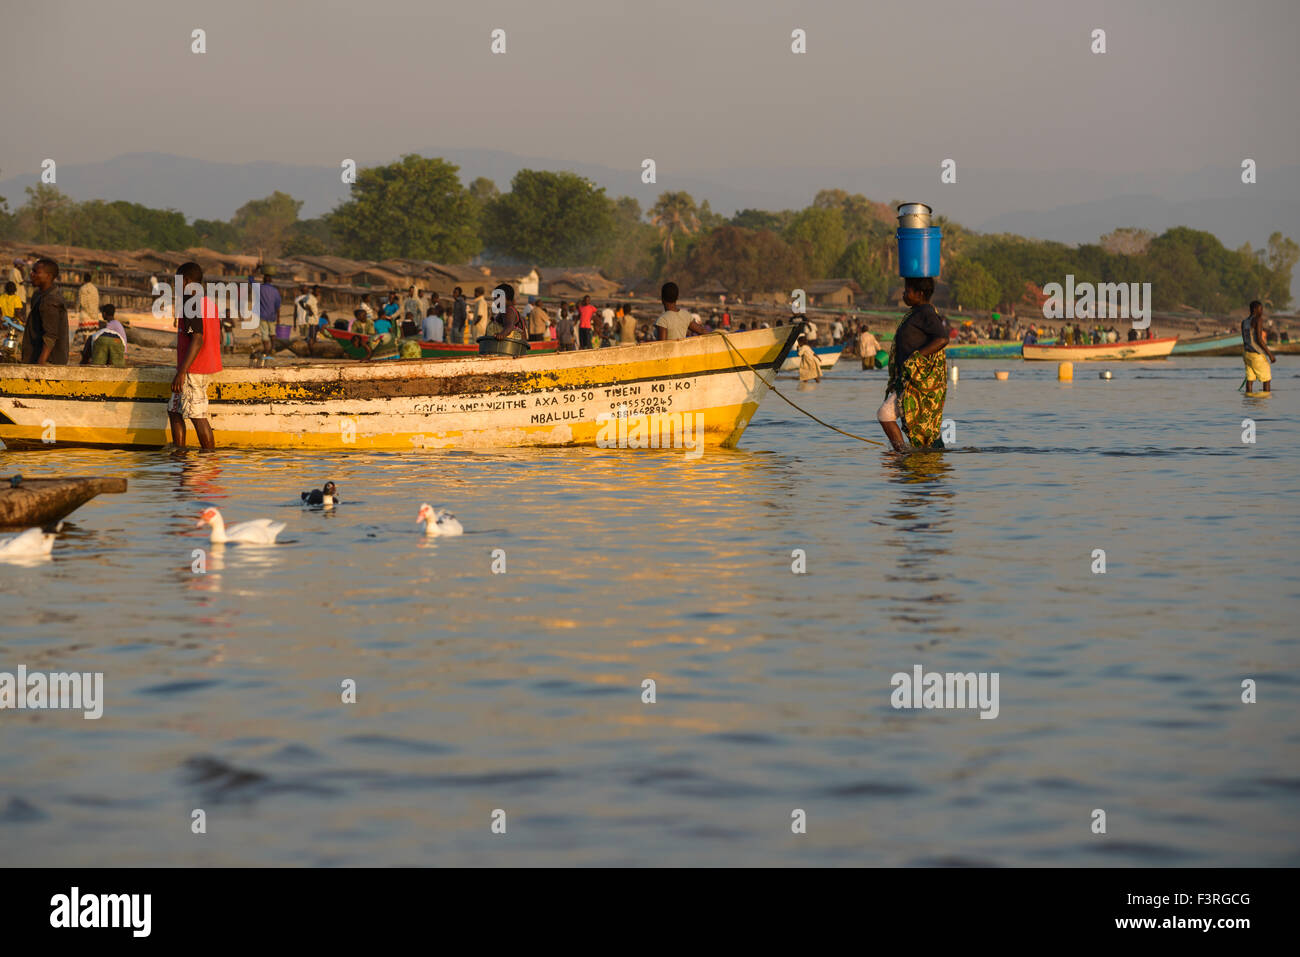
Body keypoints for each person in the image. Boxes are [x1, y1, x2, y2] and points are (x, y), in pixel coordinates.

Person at [876, 276, 949, 453]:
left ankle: (903, 454)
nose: (903, 295)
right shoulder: (915, 312)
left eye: (907, 291)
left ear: (920, 293)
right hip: (908, 379)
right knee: (921, 425)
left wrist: (915, 357)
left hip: (917, 381)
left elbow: (942, 338)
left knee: (885, 414)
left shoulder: (926, 313)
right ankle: (921, 458)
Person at [169, 262, 221, 449]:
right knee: (174, 410)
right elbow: (217, 336)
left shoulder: (191, 303)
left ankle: (208, 457)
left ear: (187, 281)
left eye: (177, 281)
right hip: (204, 366)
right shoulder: (209, 303)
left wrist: (182, 371)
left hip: (193, 369)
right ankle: (178, 453)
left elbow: (197, 339)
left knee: (197, 415)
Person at [20, 258, 69, 365]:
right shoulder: (38, 295)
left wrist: (41, 363)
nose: (31, 274)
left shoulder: (51, 300)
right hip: (34, 355)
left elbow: (50, 335)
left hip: (48, 361)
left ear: (48, 276)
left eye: (36, 272)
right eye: (32, 271)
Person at [1242, 299, 1276, 394]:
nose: (1262, 312)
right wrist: (1270, 355)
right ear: (1254, 309)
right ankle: (1265, 398)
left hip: (1246, 354)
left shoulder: (1244, 322)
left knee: (1250, 378)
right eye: (1260, 309)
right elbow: (1260, 340)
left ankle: (1248, 399)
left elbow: (1245, 340)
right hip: (1256, 354)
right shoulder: (1258, 320)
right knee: (1266, 379)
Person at [257, 270, 281, 351]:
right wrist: (278, 318)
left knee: (264, 334)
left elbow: (250, 279)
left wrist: (256, 269)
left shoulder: (260, 288)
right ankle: (273, 349)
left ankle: (266, 350)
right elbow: (277, 305)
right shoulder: (275, 291)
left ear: (263, 280)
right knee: (272, 333)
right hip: (272, 316)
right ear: (271, 280)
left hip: (263, 315)